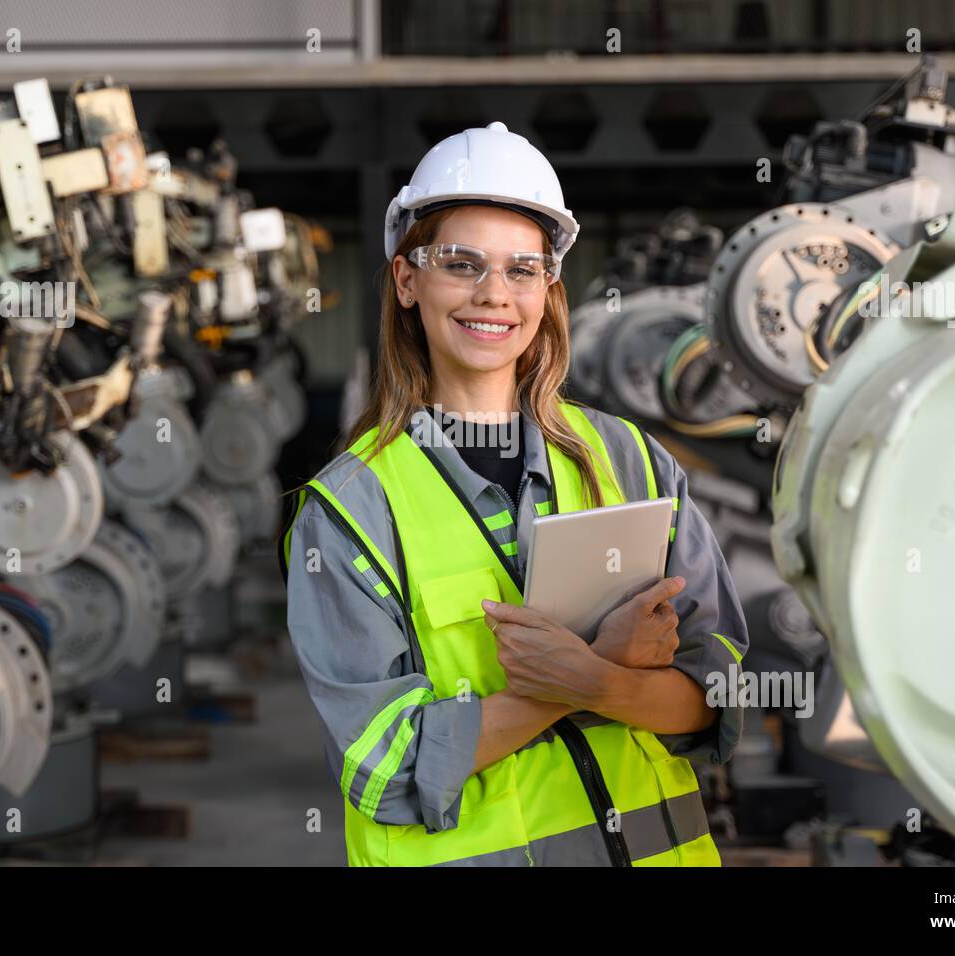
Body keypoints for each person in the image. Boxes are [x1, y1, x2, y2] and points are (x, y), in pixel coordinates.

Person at [279, 121, 748, 866]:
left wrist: (587, 676)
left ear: (547, 288)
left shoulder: (629, 460)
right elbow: (390, 768)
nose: (493, 295)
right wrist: (595, 673)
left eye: (522, 270)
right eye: (460, 264)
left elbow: (712, 695)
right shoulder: (351, 512)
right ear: (408, 280)